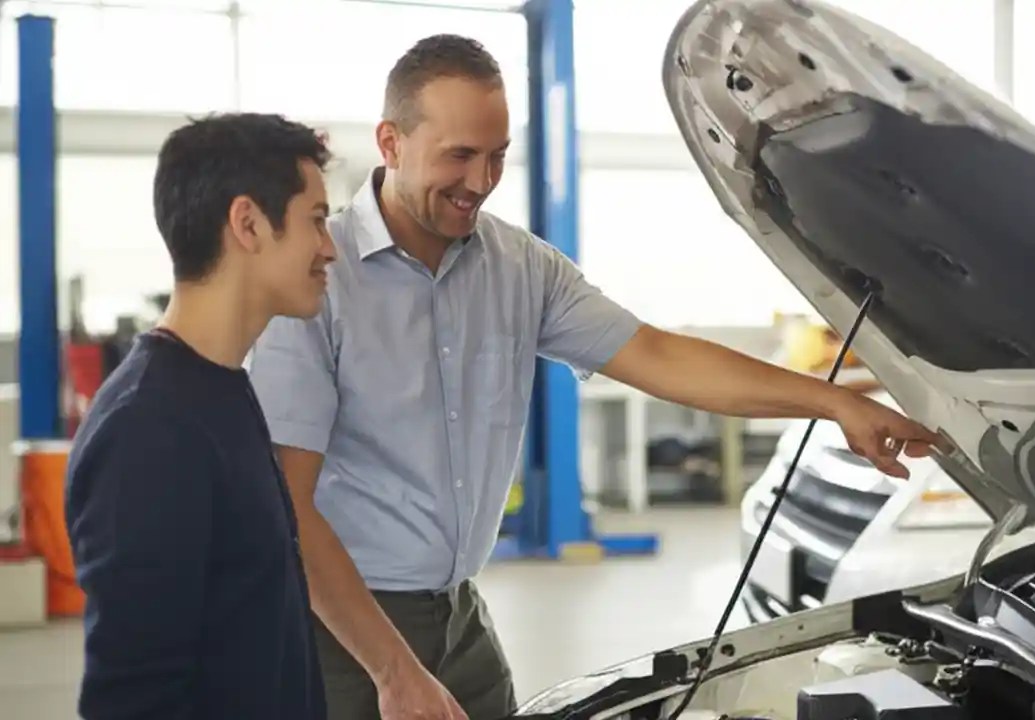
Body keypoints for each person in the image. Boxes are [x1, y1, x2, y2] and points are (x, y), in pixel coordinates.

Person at [246, 35, 940, 720]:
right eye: (459, 155)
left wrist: (835, 404)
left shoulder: (521, 268)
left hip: (460, 615)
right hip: (341, 629)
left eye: (497, 157)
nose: (481, 182)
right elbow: (290, 512)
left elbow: (660, 356)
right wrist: (393, 671)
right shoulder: (318, 281)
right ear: (391, 143)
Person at [65, 113, 337, 720]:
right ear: (248, 223)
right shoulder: (148, 431)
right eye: (316, 221)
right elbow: (132, 700)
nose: (331, 247)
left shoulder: (223, 389)